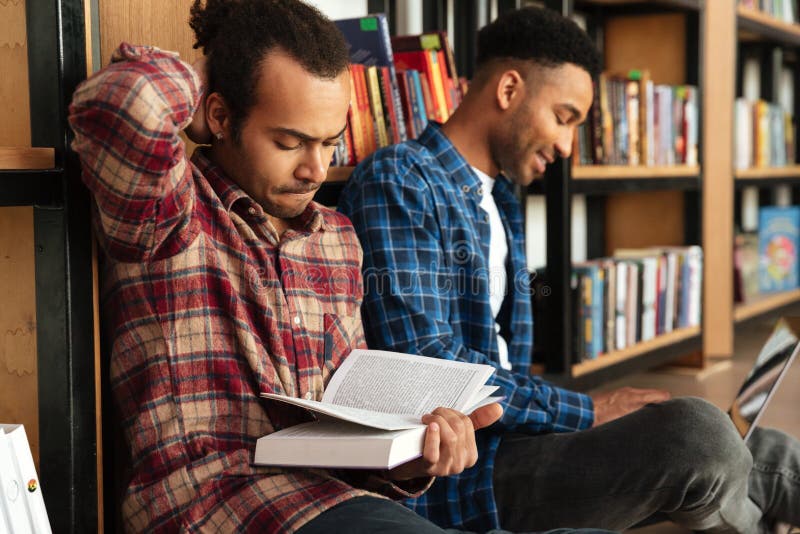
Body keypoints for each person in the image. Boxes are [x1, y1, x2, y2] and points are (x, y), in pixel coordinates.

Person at [338, 6, 800, 534]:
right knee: (698, 435)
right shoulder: (400, 180)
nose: (566, 146)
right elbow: (430, 367)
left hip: (528, 438)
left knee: (748, 439)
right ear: (509, 89)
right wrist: (589, 411)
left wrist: (586, 416)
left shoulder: (502, 200)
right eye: (564, 118)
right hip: (469, 471)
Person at [66, 0, 519, 531]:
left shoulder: (338, 239)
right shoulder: (169, 211)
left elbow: (342, 425)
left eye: (329, 142)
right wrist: (210, 72)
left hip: (336, 501)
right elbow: (125, 100)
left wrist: (412, 455)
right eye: (290, 142)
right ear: (218, 116)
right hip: (211, 509)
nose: (315, 169)